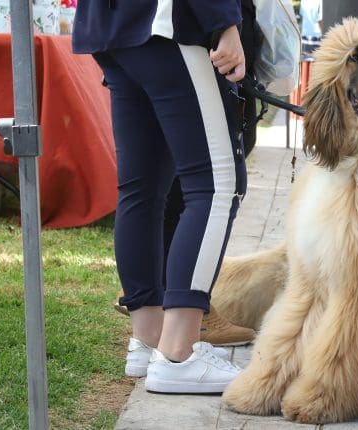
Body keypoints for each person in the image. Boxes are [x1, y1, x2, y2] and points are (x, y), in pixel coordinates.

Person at [72, 0, 250, 393]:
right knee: (217, 185)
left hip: (113, 27)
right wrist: (224, 22)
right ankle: (177, 353)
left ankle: (149, 338)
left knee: (143, 188)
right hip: (167, 24)